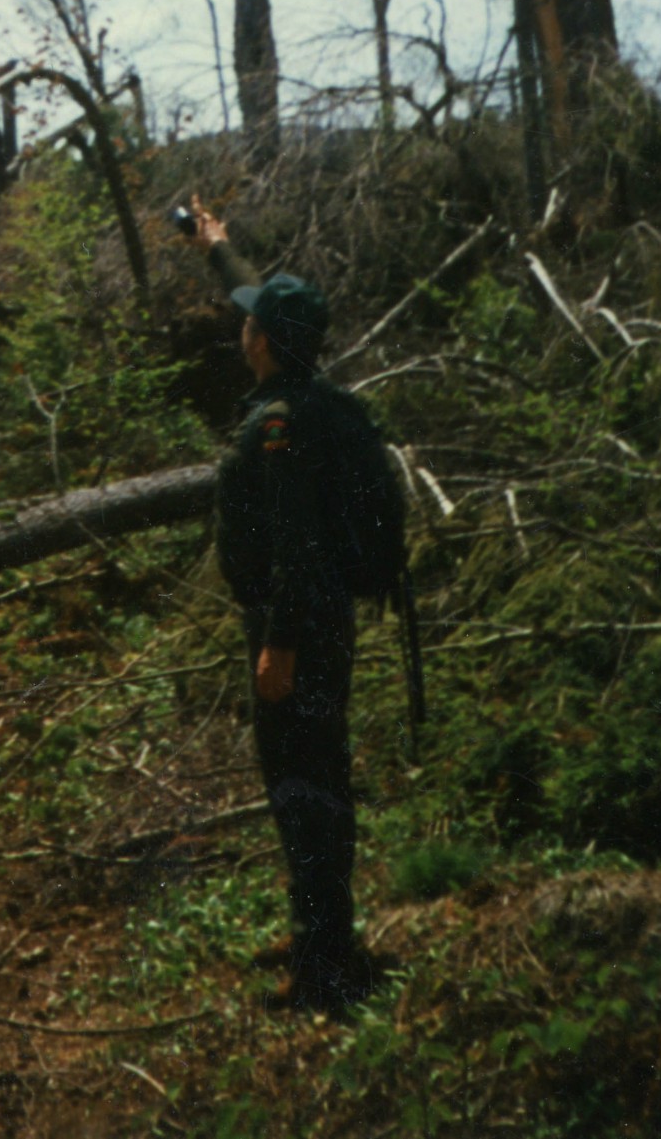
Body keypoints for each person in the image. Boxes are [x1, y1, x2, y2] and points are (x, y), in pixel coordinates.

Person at [185, 194, 375, 1015]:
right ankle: (321, 930)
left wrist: (280, 644)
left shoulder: (282, 429)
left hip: (296, 631)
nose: (242, 324)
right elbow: (258, 291)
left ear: (263, 343)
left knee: (304, 787)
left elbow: (296, 545)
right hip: (315, 623)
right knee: (311, 775)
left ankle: (327, 965)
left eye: (251, 321)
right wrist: (215, 245)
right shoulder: (309, 394)